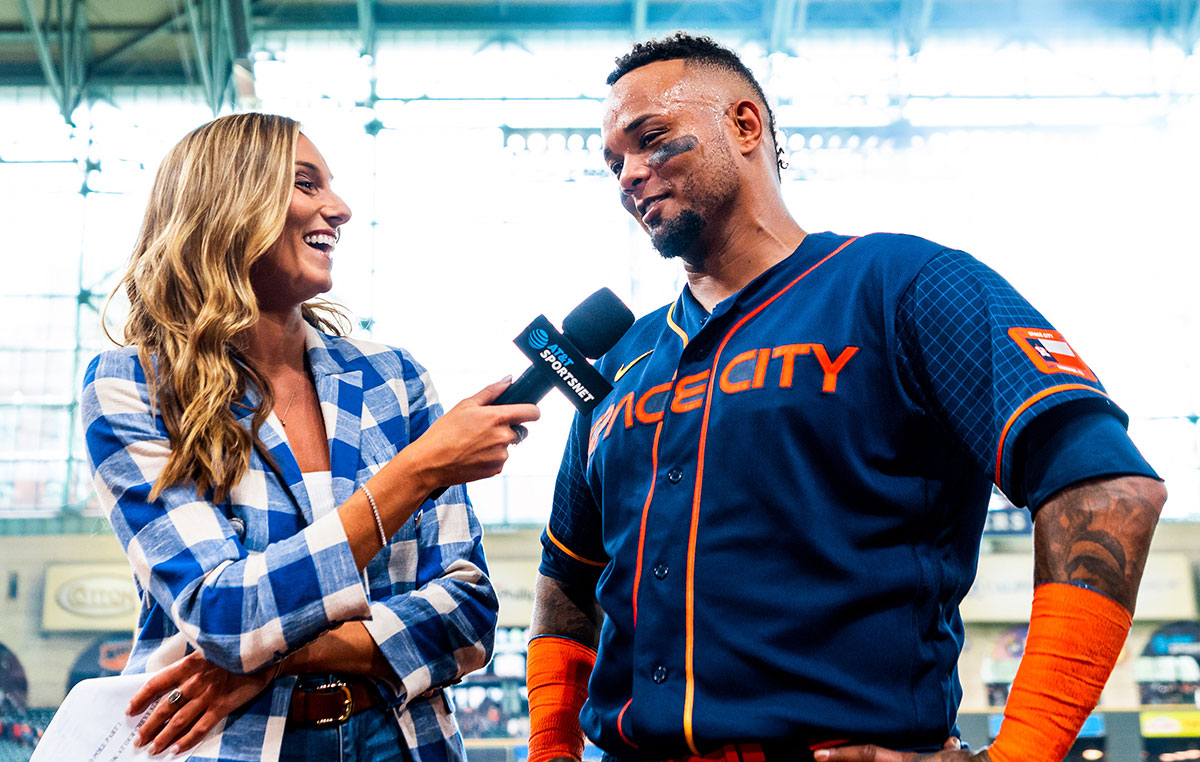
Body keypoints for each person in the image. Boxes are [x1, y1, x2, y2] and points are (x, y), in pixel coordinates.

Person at [525, 33, 1166, 762]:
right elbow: (566, 577)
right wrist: (550, 750)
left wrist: (1022, 753)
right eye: (614, 162)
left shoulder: (905, 285)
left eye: (653, 141)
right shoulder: (623, 359)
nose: (630, 175)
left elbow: (1109, 488)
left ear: (744, 126)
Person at [80, 113, 540, 762]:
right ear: (228, 203)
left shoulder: (394, 378)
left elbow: (468, 620)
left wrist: (269, 657)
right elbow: (225, 616)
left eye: (333, 186)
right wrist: (418, 473)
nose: (341, 208)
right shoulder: (137, 383)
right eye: (307, 184)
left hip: (404, 741)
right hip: (231, 746)